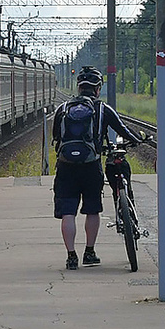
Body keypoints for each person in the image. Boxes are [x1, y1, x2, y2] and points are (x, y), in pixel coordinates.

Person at [52, 66, 136, 269]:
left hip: (66, 167)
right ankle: (89, 252)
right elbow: (122, 129)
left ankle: (71, 256)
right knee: (92, 210)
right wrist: (136, 140)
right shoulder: (103, 109)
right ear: (98, 88)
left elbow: (56, 136)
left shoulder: (63, 108)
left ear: (78, 87)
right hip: (91, 166)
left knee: (68, 212)